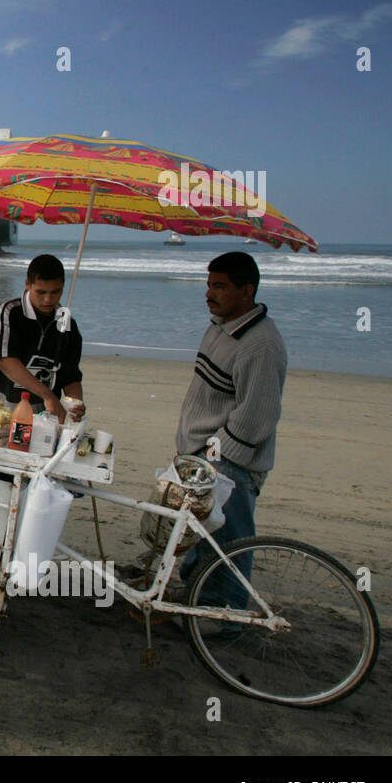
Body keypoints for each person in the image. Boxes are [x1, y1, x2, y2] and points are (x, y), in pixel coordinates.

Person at [176, 252, 287, 609]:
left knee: (230, 545)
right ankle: (198, 598)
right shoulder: (221, 326)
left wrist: (214, 461)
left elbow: (257, 417)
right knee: (202, 537)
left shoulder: (261, 345)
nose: (210, 293)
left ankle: (227, 616)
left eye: (220, 286)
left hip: (229, 465)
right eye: (209, 285)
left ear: (246, 291)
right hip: (203, 456)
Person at [0, 254, 86, 422]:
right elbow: (5, 361)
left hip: (41, 411)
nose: (48, 300)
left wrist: (76, 404)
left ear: (63, 287)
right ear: (28, 284)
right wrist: (48, 395)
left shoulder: (67, 324)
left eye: (55, 292)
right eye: (41, 292)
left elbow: (70, 375)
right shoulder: (10, 312)